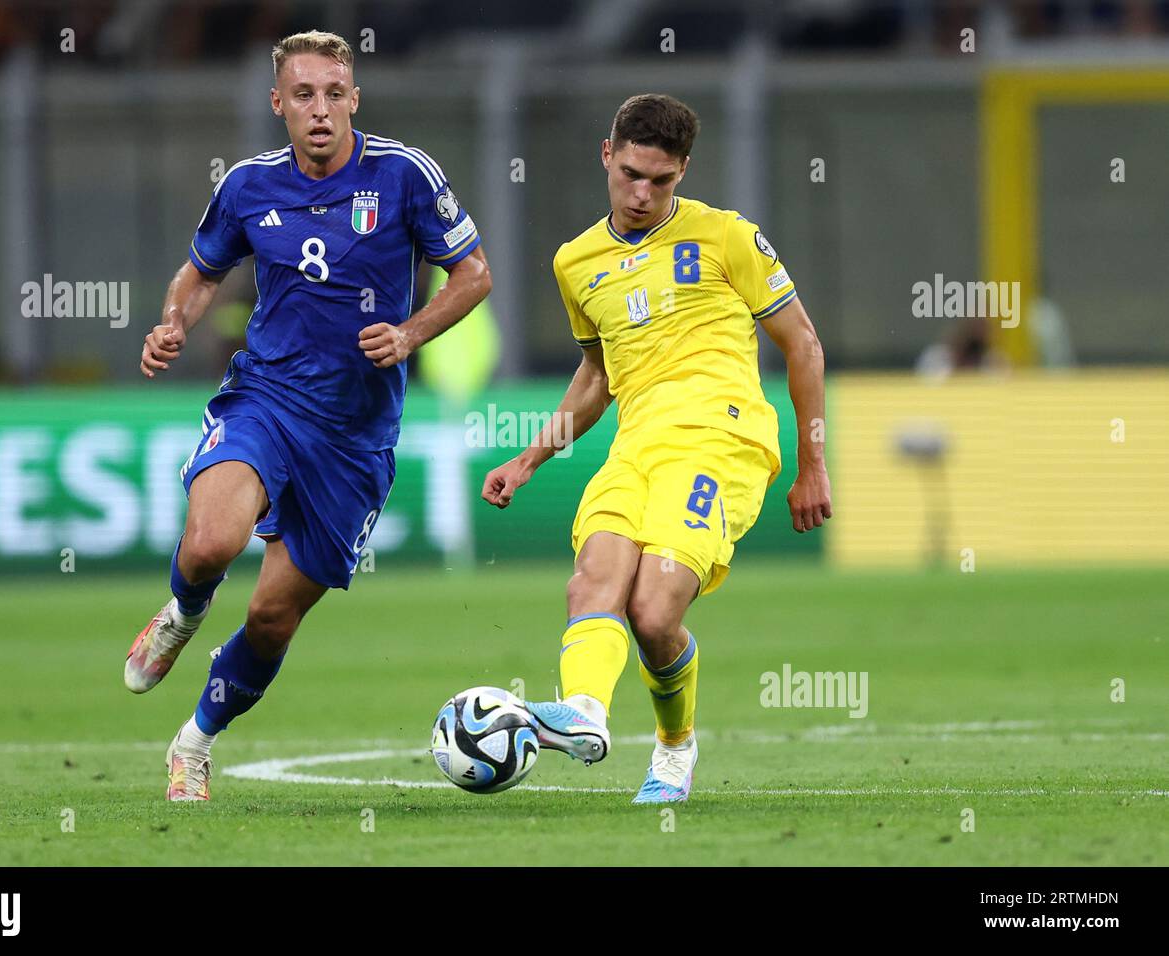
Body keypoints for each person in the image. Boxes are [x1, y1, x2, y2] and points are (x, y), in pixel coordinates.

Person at [127, 30, 491, 801]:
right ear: (278, 105)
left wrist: (411, 331)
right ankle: (183, 613)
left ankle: (193, 742)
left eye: (333, 94)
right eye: (303, 96)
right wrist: (173, 323)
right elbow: (199, 273)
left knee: (269, 620)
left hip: (355, 437)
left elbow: (473, 273)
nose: (319, 111)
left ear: (354, 99)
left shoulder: (404, 175)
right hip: (266, 398)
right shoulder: (248, 186)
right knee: (210, 544)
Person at [481, 94, 830, 803]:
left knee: (655, 614)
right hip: (636, 445)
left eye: (661, 181)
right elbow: (597, 376)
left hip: (720, 440)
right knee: (593, 583)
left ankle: (675, 752)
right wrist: (528, 458)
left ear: (683, 174)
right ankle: (583, 712)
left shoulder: (727, 237)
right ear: (606, 155)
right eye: (632, 174)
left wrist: (812, 463)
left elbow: (803, 343)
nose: (643, 194)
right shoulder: (576, 263)